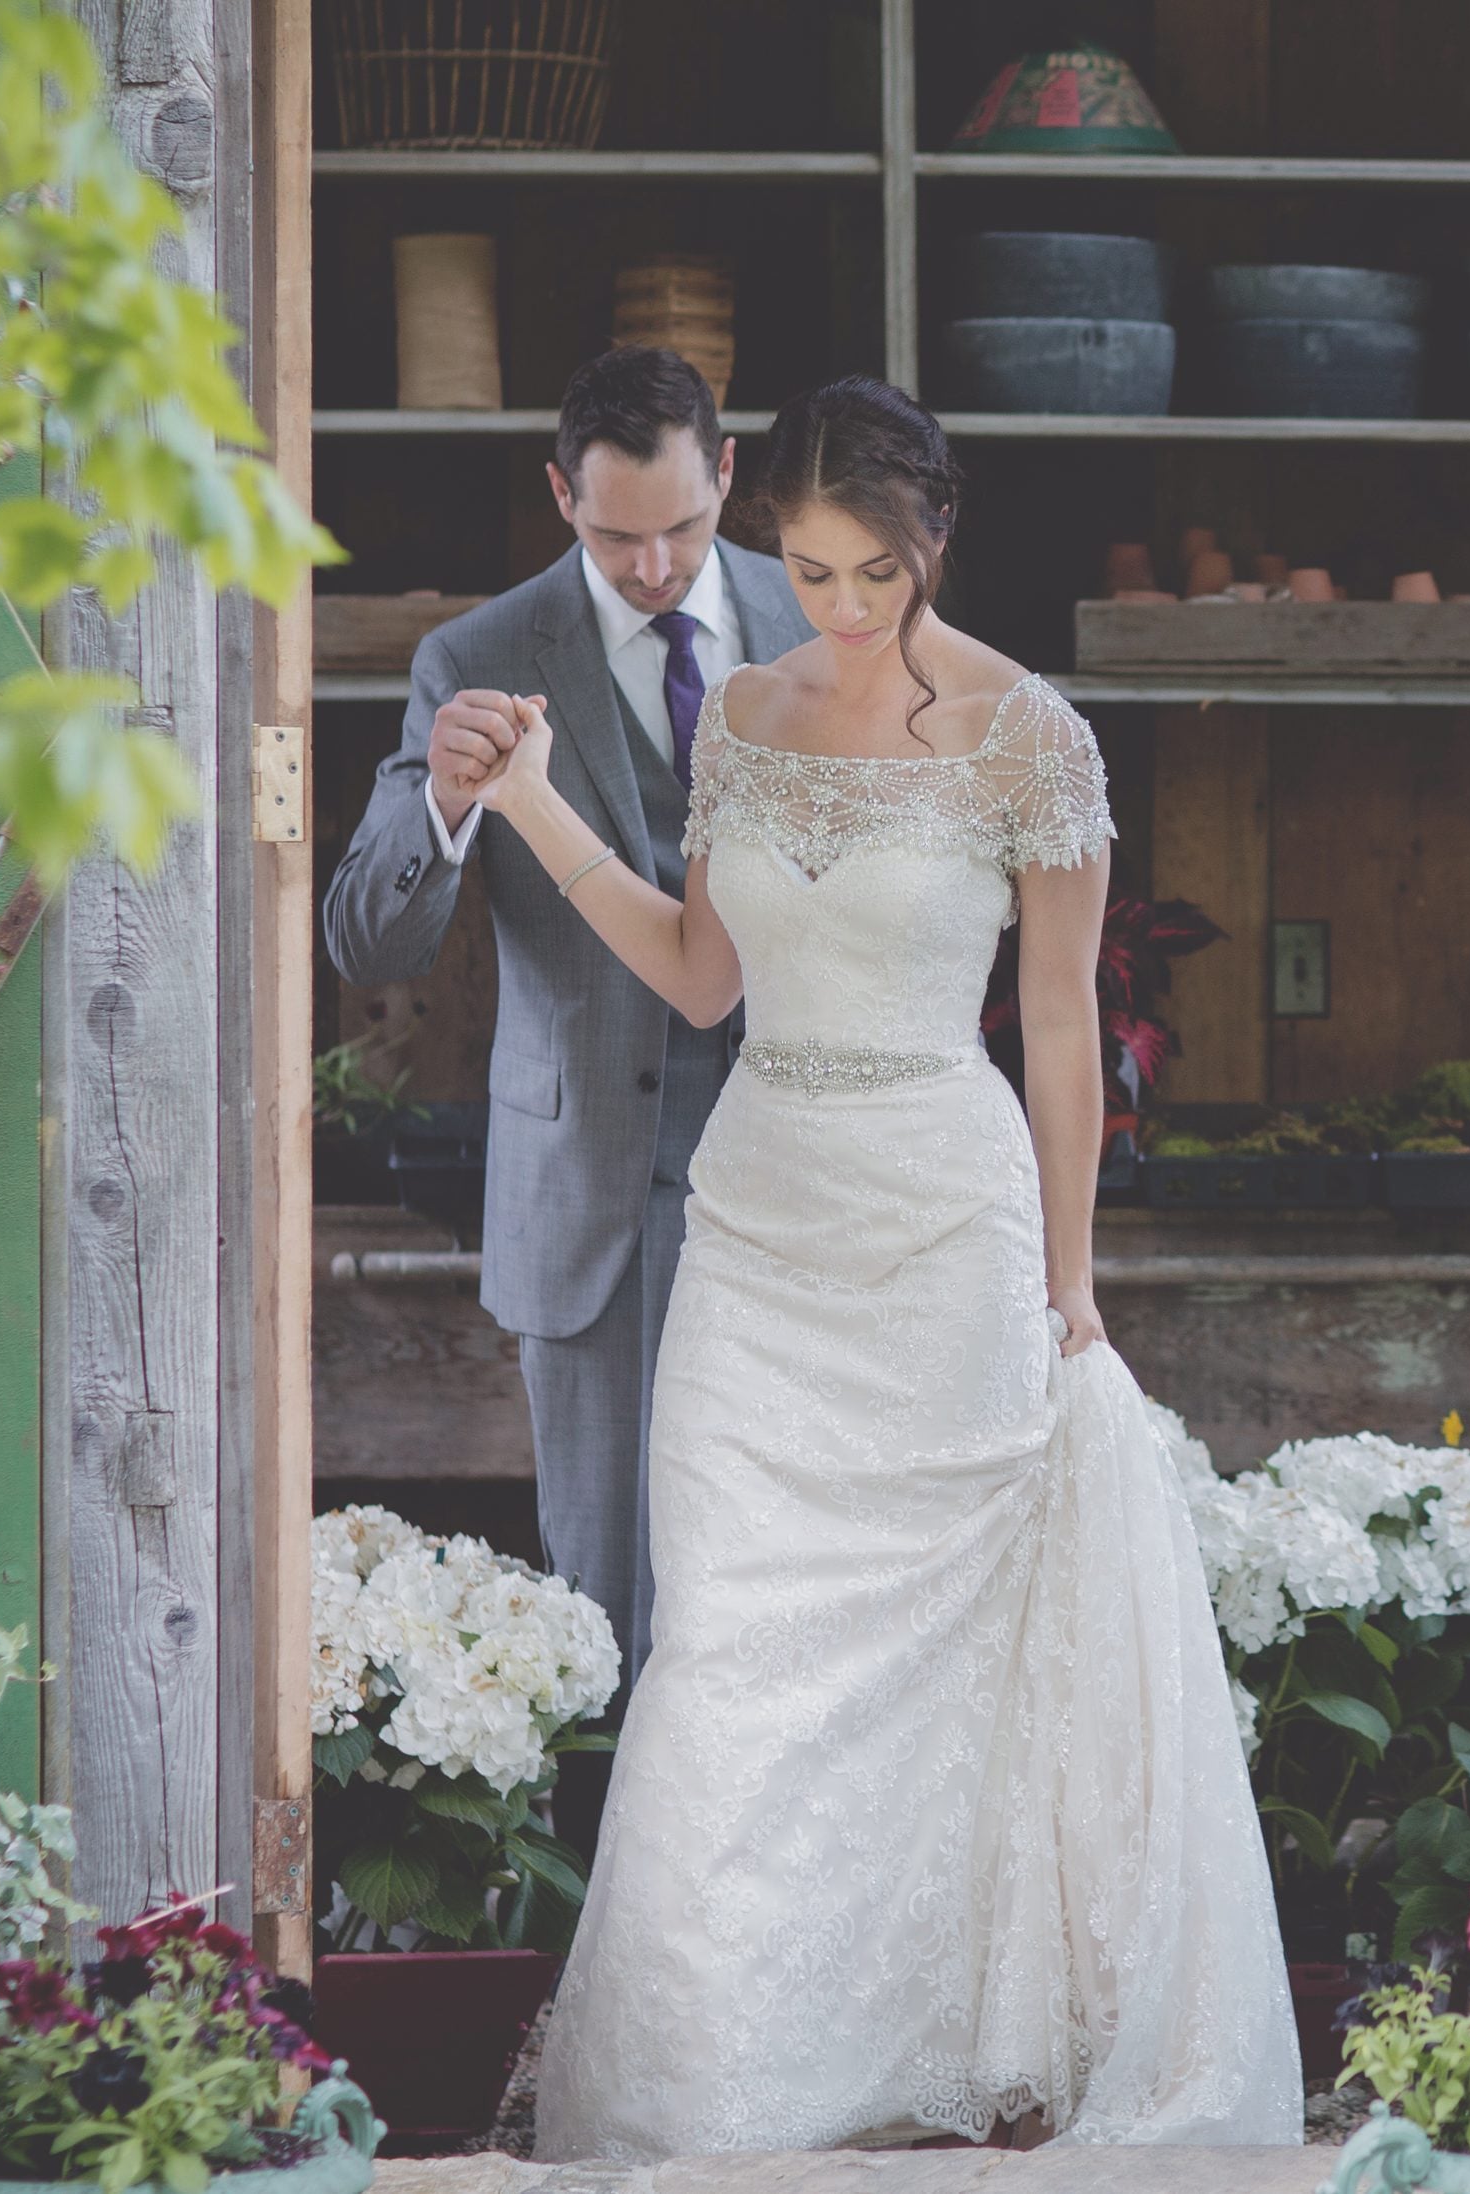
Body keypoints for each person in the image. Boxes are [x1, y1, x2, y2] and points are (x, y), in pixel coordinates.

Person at [504, 377, 1299, 2155]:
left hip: (947, 1216)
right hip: (761, 1222)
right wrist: (551, 811)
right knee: (722, 1646)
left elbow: (1066, 1031)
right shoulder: (744, 713)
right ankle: (723, 2080)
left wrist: (1073, 1279)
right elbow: (705, 976)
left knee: (941, 1660)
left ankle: (921, 2058)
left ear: (931, 544)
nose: (842, 608)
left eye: (874, 573)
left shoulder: (1033, 735)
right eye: (807, 569)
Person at [320, 348, 817, 1810]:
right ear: (559, 498)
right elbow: (368, 929)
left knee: (790, 1597)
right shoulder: (477, 655)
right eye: (613, 536)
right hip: (590, 1196)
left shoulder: (821, 622)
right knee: (603, 1616)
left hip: (798, 1195)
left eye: (679, 525)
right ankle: (611, 1967)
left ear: (729, 476)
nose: (654, 566)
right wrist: (449, 807)